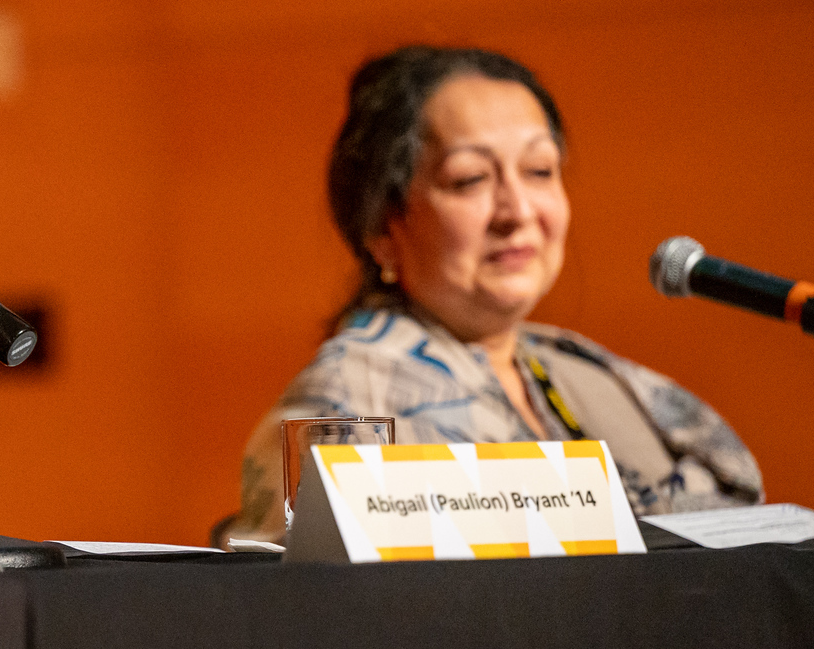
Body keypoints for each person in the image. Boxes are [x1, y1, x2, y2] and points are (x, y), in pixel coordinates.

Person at [233, 45, 760, 540]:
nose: (517, 212)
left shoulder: (592, 376)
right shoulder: (345, 402)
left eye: (539, 171)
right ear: (383, 228)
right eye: (470, 179)